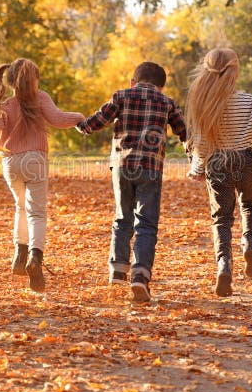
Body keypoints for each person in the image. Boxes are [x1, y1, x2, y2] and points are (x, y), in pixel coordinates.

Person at [185, 48, 252, 297]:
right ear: (234, 71)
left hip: (217, 161)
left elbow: (201, 141)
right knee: (249, 205)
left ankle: (224, 265)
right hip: (245, 160)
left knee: (222, 219)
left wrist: (197, 168)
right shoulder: (249, 101)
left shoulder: (202, 103)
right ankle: (250, 243)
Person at [76, 62, 187, 302]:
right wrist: (193, 150)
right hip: (150, 168)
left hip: (123, 166)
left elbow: (96, 122)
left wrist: (79, 125)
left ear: (132, 82)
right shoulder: (167, 102)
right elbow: (184, 131)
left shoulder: (121, 95)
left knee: (122, 217)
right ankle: (140, 275)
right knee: (146, 223)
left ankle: (118, 270)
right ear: (160, 86)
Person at [0, 58, 85, 292]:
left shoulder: (6, 104)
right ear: (32, 80)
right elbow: (59, 119)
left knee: (20, 206)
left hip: (10, 162)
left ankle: (19, 254)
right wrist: (79, 117)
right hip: (35, 159)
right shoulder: (41, 98)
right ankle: (35, 258)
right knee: (37, 212)